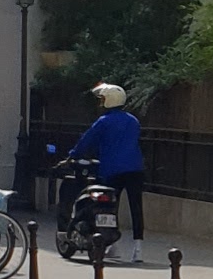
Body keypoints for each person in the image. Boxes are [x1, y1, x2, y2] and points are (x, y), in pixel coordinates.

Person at [54, 80, 147, 258]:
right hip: (135, 168)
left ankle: (113, 245)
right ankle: (138, 248)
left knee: (110, 206)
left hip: (112, 170)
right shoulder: (133, 121)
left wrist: (73, 155)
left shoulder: (103, 121)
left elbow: (87, 140)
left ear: (110, 100)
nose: (101, 102)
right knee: (136, 207)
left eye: (103, 99)